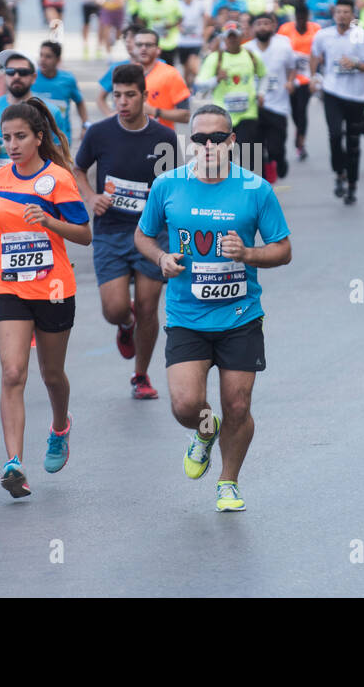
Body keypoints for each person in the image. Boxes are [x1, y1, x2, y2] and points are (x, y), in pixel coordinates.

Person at [134, 105, 293, 513]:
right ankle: (206, 431)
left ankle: (228, 481)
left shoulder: (256, 189)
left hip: (240, 315)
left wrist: (249, 253)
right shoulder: (167, 186)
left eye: (217, 138)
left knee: (238, 405)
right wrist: (160, 259)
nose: (208, 146)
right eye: (200, 138)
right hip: (187, 315)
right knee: (186, 405)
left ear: (232, 142)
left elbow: (284, 250)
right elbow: (144, 236)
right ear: (190, 143)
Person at [0, 99, 91, 499]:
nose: (12, 144)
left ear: (39, 137)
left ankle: (60, 427)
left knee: (51, 374)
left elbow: (84, 233)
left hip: (54, 287)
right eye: (6, 138)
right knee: (12, 372)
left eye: (20, 136)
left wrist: (51, 221)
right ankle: (14, 463)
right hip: (9, 284)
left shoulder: (58, 178)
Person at [72, 64, 179, 399]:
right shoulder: (100, 133)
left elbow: (173, 184)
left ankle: (141, 375)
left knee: (148, 308)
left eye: (130, 95)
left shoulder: (163, 137)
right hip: (111, 232)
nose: (122, 101)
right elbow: (78, 169)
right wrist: (91, 197)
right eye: (117, 95)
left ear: (144, 96)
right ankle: (124, 324)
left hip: (151, 234)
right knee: (114, 308)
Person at [0, 51, 68, 274]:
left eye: (23, 72)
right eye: (10, 72)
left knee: (40, 260)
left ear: (33, 77)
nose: (16, 77)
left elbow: (61, 154)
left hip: (39, 196)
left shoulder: (49, 112)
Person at [312, 0, 364, 204]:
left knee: (353, 142)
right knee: (334, 135)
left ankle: (352, 185)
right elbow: (314, 55)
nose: (342, 15)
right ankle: (339, 173)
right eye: (339, 12)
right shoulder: (324, 35)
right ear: (334, 14)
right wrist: (315, 76)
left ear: (352, 15)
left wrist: (356, 65)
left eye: (346, 12)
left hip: (357, 96)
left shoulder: (361, 37)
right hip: (332, 93)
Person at [97, 27, 192, 129]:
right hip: (126, 137)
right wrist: (110, 116)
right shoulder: (123, 72)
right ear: (134, 48)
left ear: (158, 49)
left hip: (160, 140)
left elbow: (186, 116)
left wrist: (154, 111)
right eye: (139, 45)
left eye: (148, 45)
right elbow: (101, 98)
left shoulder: (170, 74)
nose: (143, 48)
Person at [197, 22, 267, 157]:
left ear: (241, 37)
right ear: (223, 38)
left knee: (251, 158)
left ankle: (251, 178)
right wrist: (216, 79)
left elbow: (264, 74)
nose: (232, 39)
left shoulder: (251, 56)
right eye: (229, 37)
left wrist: (261, 93)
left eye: (235, 36)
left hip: (248, 113)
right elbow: (200, 84)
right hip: (222, 116)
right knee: (223, 159)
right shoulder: (215, 58)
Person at [246, 13, 296, 183]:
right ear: (253, 28)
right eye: (258, 23)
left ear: (273, 26)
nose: (262, 27)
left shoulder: (284, 46)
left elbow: (292, 67)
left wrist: (290, 82)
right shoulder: (246, 49)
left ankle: (280, 161)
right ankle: (263, 183)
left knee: (275, 148)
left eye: (266, 23)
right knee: (256, 150)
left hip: (278, 106)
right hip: (253, 107)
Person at [278, 1, 319, 161]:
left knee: (302, 110)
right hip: (289, 78)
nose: (301, 20)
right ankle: (299, 131)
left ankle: (301, 141)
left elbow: (319, 53)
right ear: (295, 17)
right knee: (294, 111)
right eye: (298, 18)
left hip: (306, 79)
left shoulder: (315, 29)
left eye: (304, 18)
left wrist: (316, 77)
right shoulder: (285, 29)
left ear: (307, 17)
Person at [33, 40, 89, 144]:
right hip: (37, 141)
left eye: (48, 56)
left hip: (61, 141)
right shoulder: (32, 77)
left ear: (58, 60)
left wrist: (85, 124)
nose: (42, 60)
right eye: (41, 55)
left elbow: (80, 101)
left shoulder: (68, 79)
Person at [134, 0, 184, 66]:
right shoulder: (145, 3)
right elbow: (140, 20)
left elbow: (180, 18)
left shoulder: (173, 2)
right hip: (152, 43)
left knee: (169, 67)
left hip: (169, 42)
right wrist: (145, 31)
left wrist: (171, 25)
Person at [174, 0, 210, 81]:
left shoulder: (200, 5)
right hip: (182, 41)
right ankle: (189, 89)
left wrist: (203, 33)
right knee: (185, 69)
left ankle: (195, 83)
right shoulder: (178, 5)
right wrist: (179, 27)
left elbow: (206, 18)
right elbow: (175, 19)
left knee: (193, 67)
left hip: (196, 40)